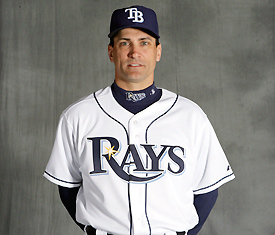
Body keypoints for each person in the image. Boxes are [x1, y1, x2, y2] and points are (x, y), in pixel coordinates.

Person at [44, 5, 235, 235]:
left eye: (144, 42)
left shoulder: (190, 116)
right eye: (125, 42)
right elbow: (68, 188)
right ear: (111, 52)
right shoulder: (78, 116)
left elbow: (207, 191)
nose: (135, 52)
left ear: (158, 51)